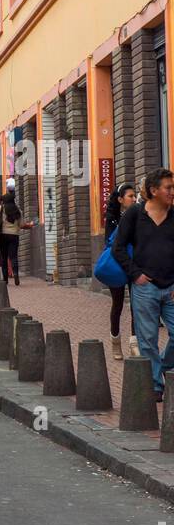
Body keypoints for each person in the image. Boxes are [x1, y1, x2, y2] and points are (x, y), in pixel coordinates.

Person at [113, 168, 174, 400]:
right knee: (147, 340)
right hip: (144, 287)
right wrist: (135, 274)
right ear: (153, 190)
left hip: (171, 288)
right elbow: (118, 248)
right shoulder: (135, 214)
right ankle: (157, 386)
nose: (172, 192)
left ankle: (163, 368)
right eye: (168, 188)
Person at [104, 181, 138, 360]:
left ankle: (134, 344)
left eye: (135, 195)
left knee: (136, 305)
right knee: (117, 304)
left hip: (134, 265)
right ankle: (115, 342)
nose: (134, 198)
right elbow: (110, 243)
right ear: (120, 199)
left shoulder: (138, 215)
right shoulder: (112, 219)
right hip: (117, 265)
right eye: (130, 196)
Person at [0, 191, 23, 285]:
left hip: (3, 235)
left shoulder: (0, 209)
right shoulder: (18, 210)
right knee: (13, 257)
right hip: (14, 235)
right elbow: (21, 224)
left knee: (4, 257)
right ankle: (16, 275)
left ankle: (5, 279)